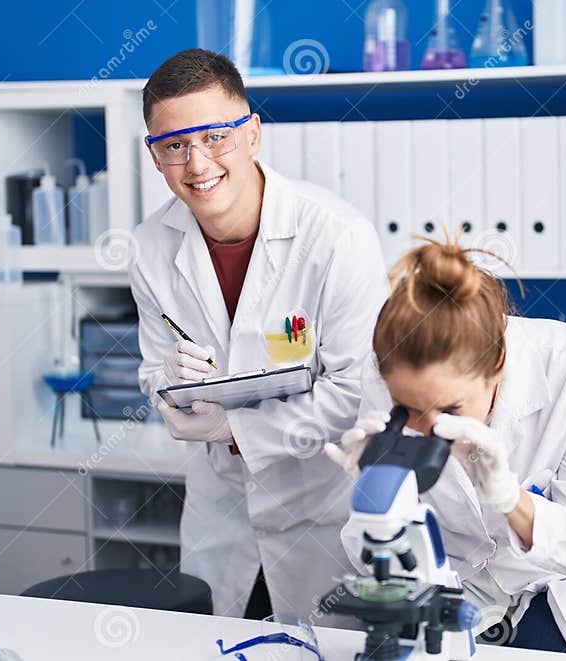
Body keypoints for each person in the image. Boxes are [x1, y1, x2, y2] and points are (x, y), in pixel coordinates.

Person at [129, 48, 388, 619]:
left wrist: (237, 428)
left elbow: (360, 396)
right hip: (219, 512)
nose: (197, 164)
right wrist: (166, 388)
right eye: (175, 145)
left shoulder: (338, 238)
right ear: (155, 156)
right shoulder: (150, 247)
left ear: (252, 134)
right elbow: (152, 369)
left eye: (215, 136)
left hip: (321, 517)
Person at [326, 238, 566, 655]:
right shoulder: (389, 374)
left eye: (450, 407)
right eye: (408, 409)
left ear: (498, 363)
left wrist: (509, 499)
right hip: (463, 582)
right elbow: (375, 555)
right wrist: (374, 495)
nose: (429, 426)